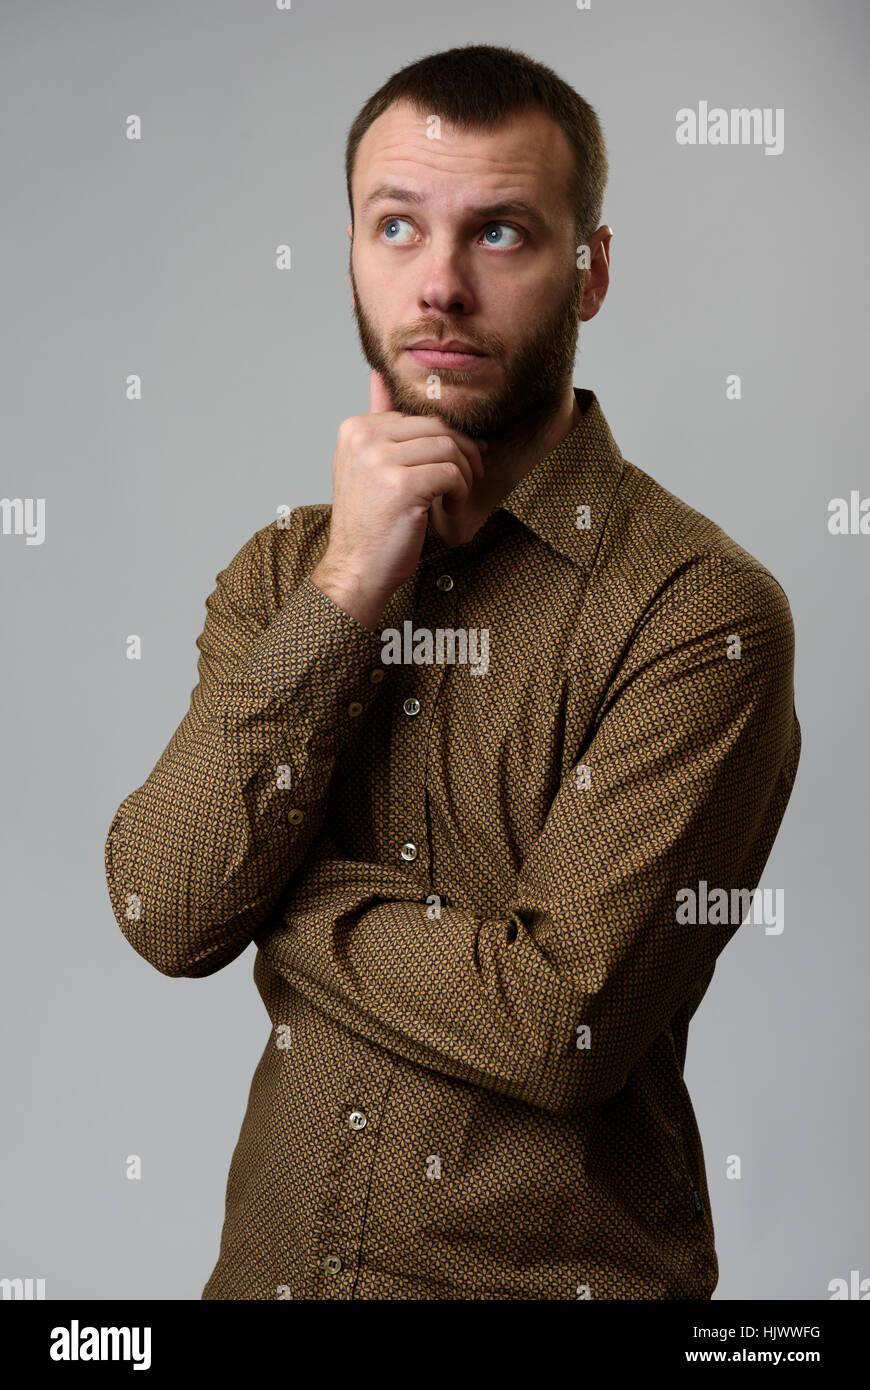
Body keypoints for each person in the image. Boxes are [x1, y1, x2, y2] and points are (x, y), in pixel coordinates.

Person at [104, 43, 801, 1300]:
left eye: (499, 233)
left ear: (589, 272)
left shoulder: (701, 613)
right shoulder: (282, 573)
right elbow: (162, 908)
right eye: (396, 227)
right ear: (352, 252)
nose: (438, 286)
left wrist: (277, 895)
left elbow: (556, 1020)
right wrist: (346, 596)